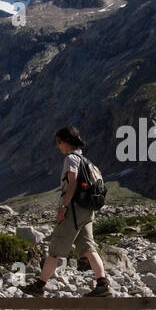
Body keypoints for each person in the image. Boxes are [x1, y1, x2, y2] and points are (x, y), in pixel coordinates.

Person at [24, 126, 111, 297]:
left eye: (59, 142)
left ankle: (39, 286)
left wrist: (63, 207)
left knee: (56, 247)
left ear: (67, 141)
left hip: (74, 208)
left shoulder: (71, 159)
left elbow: (72, 184)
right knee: (88, 247)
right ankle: (102, 284)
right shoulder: (89, 162)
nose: (58, 146)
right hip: (88, 210)